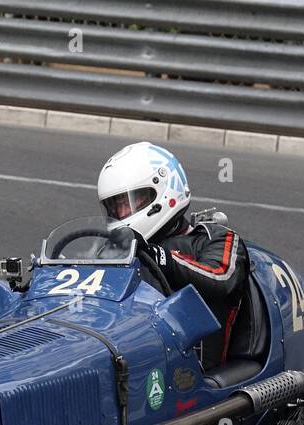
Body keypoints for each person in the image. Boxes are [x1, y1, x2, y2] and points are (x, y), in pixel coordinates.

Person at [98, 142, 249, 371]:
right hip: (126, 355)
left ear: (164, 190)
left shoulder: (214, 238)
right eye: (116, 206)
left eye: (130, 202)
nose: (122, 214)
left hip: (190, 373)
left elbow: (221, 278)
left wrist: (161, 257)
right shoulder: (117, 250)